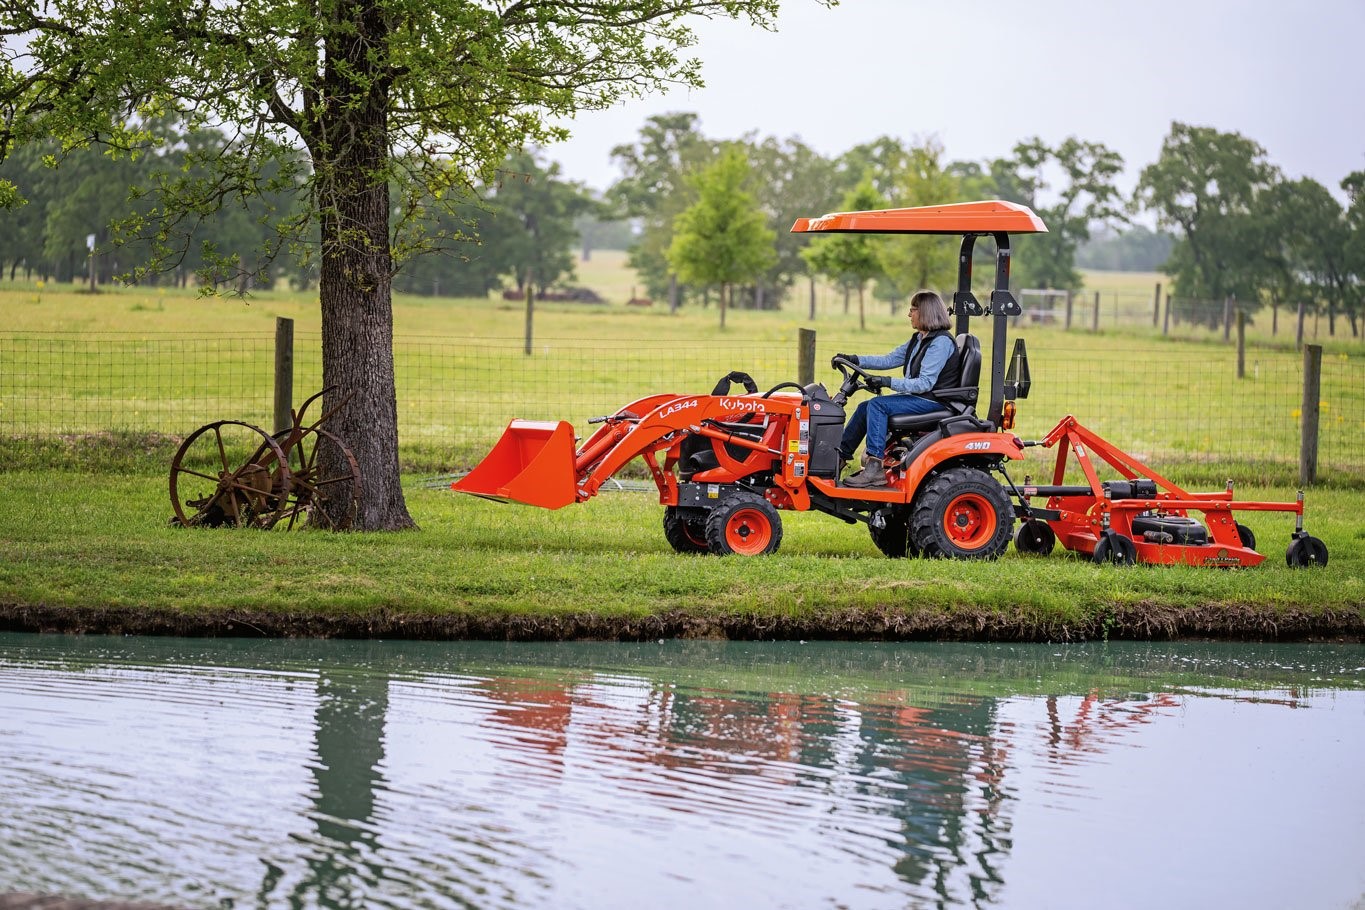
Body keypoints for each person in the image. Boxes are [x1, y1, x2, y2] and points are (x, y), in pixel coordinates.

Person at [833, 290, 961, 487]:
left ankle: (874, 468)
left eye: (913, 310)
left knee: (878, 405)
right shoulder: (919, 339)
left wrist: (886, 381)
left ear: (925, 312)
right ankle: (838, 459)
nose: (909, 314)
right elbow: (889, 359)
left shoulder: (940, 343)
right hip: (921, 397)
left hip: (934, 401)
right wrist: (854, 359)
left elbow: (924, 384)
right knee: (865, 407)